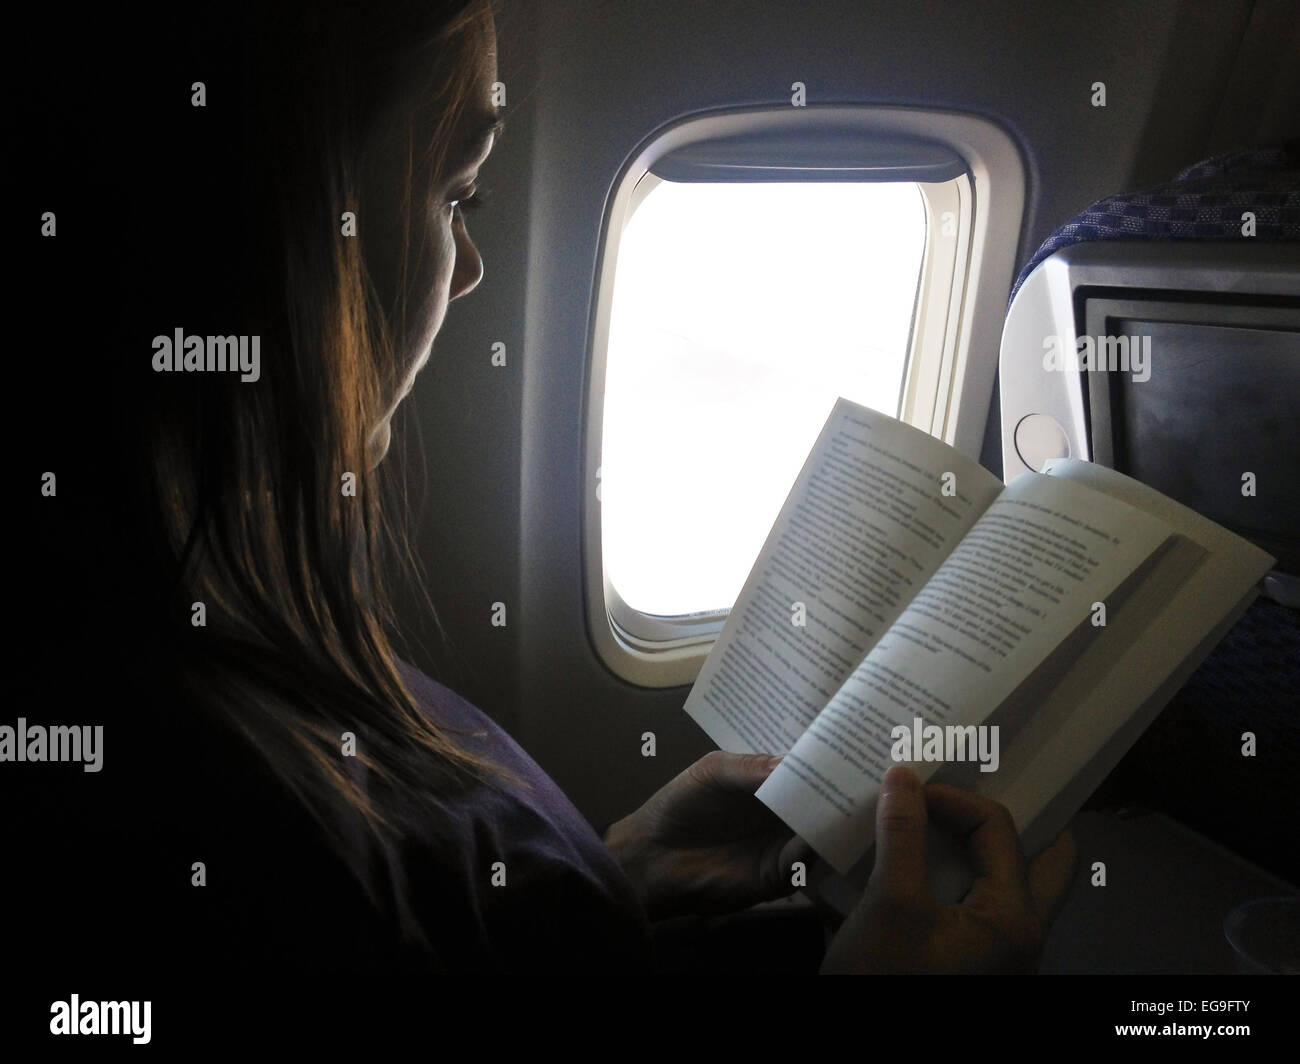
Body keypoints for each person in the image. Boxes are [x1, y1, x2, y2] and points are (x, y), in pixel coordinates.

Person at [21, 0, 1074, 978]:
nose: (470, 265)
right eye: (456, 192)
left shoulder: (202, 616)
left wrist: (617, 871)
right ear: (280, 229)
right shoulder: (223, 809)